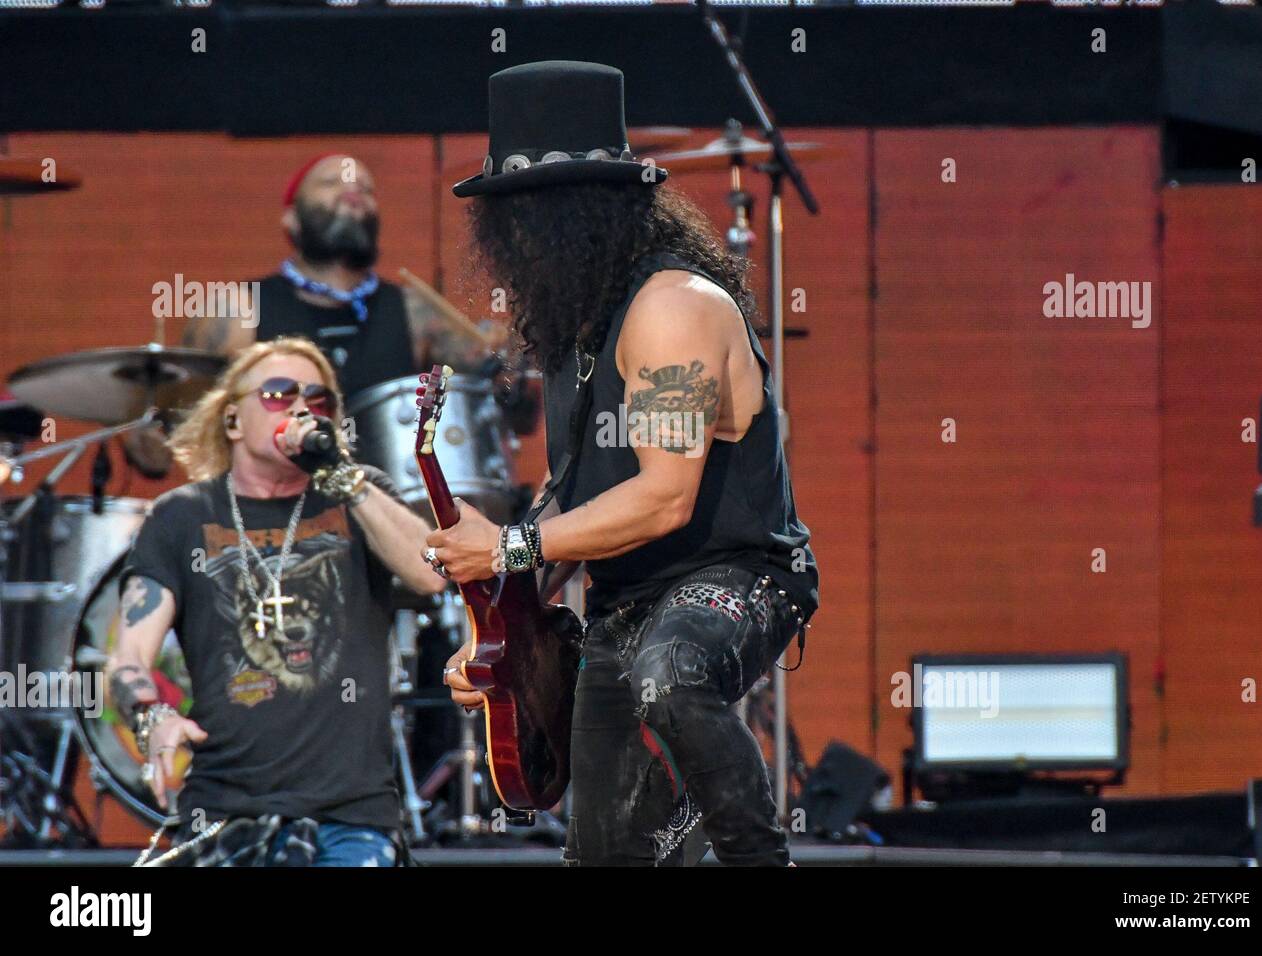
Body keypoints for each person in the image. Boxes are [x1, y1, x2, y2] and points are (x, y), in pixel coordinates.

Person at [426, 61, 819, 866]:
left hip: (740, 576)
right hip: (624, 601)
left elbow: (666, 499)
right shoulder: (580, 332)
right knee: (606, 854)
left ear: (579, 214)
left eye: (524, 220)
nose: (511, 246)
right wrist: (498, 631)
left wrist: (507, 547)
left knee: (670, 673)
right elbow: (573, 502)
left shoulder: (671, 306)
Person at [107, 336, 440, 866]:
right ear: (233, 420)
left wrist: (342, 474)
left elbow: (430, 574)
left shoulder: (359, 495)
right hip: (222, 811)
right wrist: (154, 717)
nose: (302, 406)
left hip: (352, 815)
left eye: (318, 398)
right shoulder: (180, 517)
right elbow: (128, 658)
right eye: (279, 393)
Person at [124, 153, 530, 477]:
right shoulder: (237, 309)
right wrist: (148, 439)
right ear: (291, 217)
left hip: (391, 527)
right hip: (271, 527)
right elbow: (178, 430)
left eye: (365, 189)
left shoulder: (415, 311)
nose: (351, 192)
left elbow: (514, 413)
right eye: (330, 184)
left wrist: (511, 359)